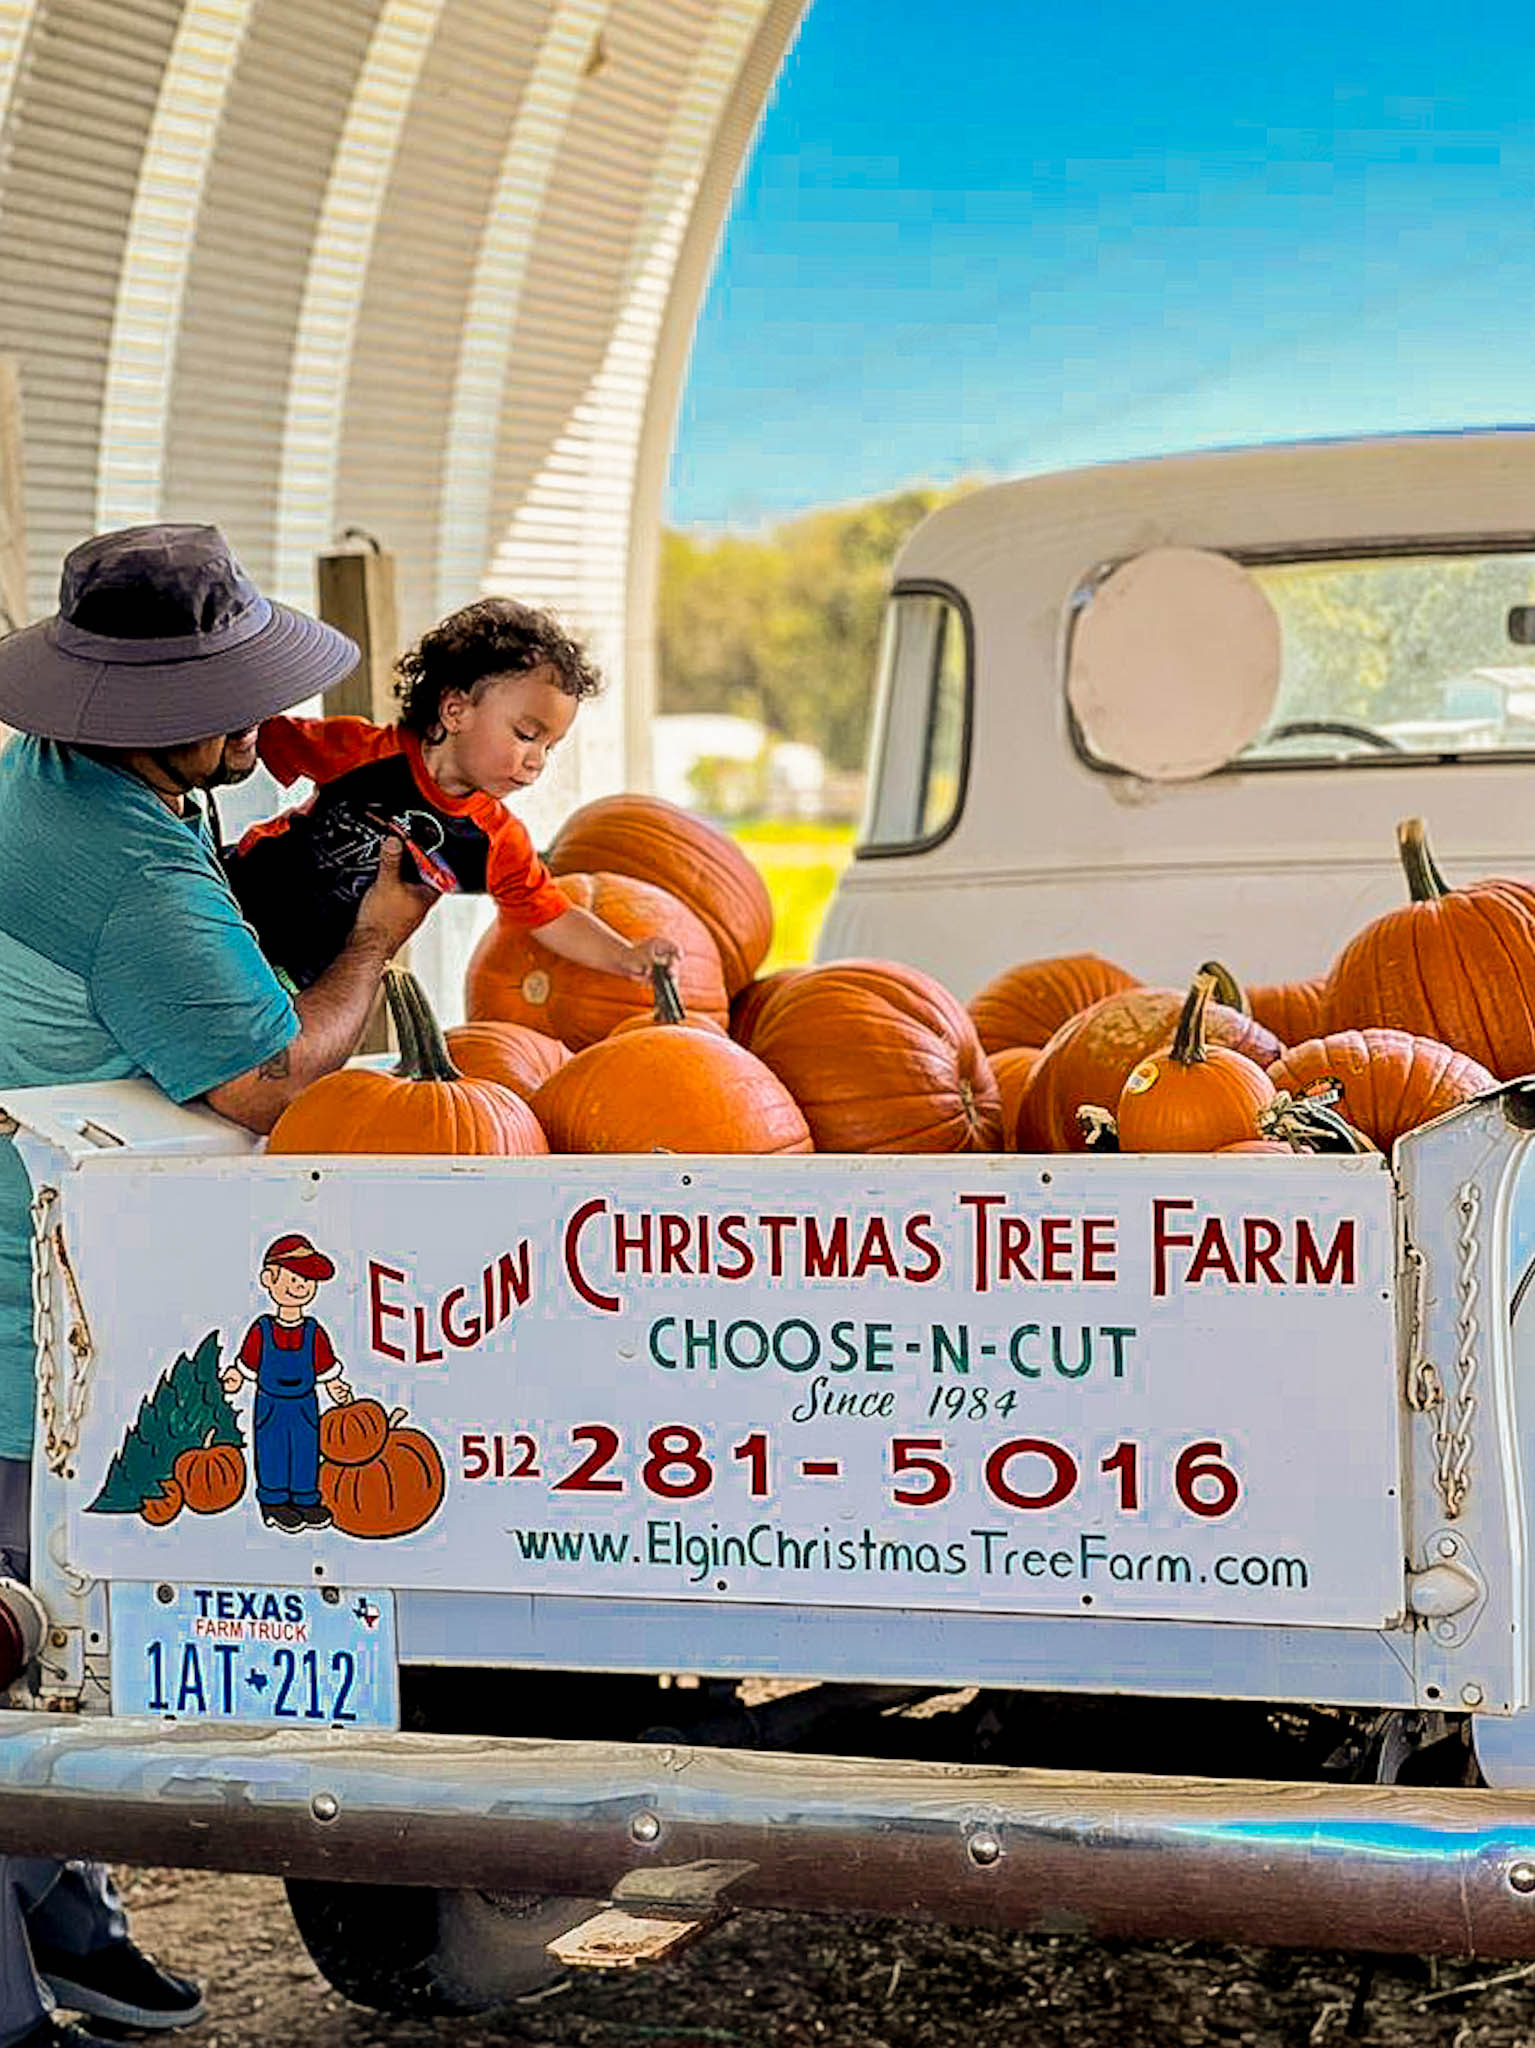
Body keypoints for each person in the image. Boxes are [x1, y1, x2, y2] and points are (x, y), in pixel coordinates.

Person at [0, 523, 439, 2048]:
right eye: (228, 695)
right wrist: (369, 957)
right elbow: (265, 1077)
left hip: (41, 1252)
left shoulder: (52, 779)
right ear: (141, 713)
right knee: (25, 1659)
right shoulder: (127, 871)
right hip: (31, 1309)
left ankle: (72, 1925)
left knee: (61, 1644)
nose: (256, 720)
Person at [221, 593, 679, 994]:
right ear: (455, 710)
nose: (537, 760)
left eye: (550, 747)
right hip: (235, 892)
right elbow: (256, 737)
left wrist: (626, 956)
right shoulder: (363, 751)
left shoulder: (494, 842)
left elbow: (550, 916)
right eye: (525, 734)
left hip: (303, 972)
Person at [222, 1233, 353, 1532]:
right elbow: (246, 1362)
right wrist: (236, 1377)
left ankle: (306, 1500)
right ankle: (274, 1502)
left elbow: (326, 1368)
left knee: (306, 1449)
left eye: (307, 1280)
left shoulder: (313, 1331)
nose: (301, 1286)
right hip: (271, 1404)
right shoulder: (263, 1329)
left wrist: (336, 1389)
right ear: (269, 1278)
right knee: (273, 1450)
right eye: (295, 1278)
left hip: (305, 1404)